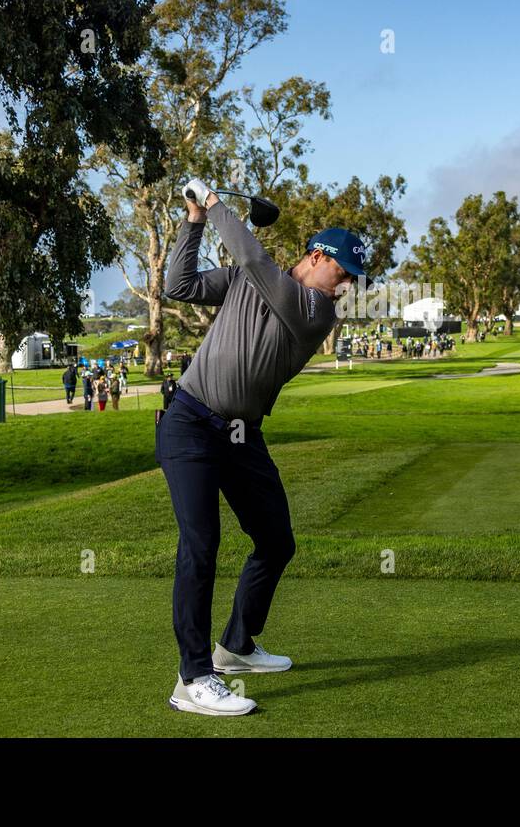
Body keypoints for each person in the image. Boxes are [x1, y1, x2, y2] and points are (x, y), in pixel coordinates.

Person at [159, 179, 363, 717]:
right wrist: (195, 220)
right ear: (318, 257)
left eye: (350, 282)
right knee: (201, 546)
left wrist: (216, 204)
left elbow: (253, 256)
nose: (343, 287)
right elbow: (177, 285)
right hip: (190, 423)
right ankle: (193, 677)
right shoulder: (252, 282)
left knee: (276, 541)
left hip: (241, 435)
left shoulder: (316, 311)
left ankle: (236, 646)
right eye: (341, 274)